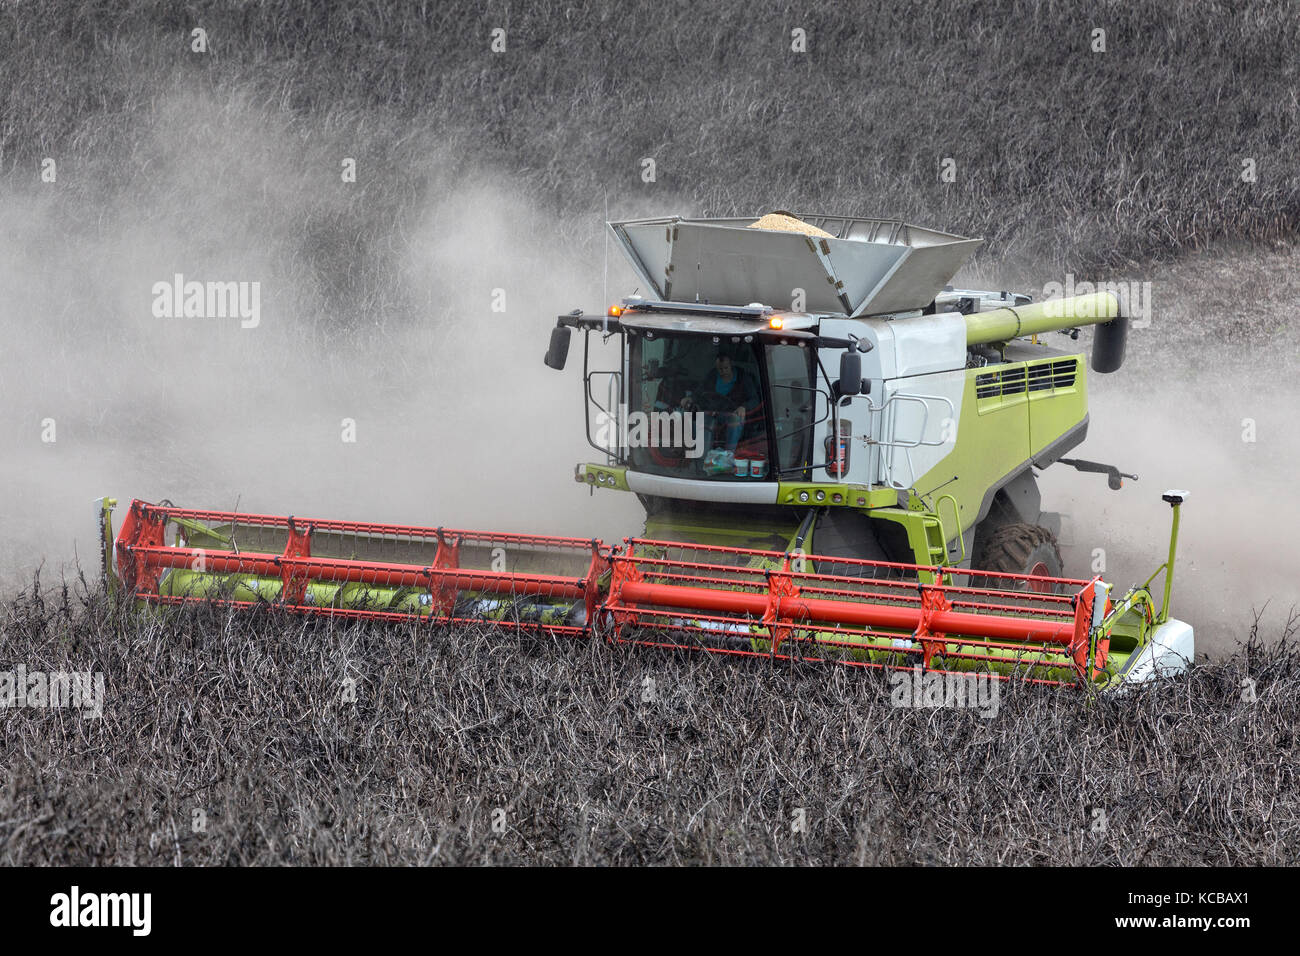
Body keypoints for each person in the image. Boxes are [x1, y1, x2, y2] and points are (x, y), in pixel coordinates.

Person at [680, 350, 759, 452]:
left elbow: (755, 399)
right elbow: (699, 392)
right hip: (711, 412)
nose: (723, 371)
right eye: (720, 369)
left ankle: (729, 455)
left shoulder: (743, 378)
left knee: (735, 420)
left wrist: (744, 407)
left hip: (731, 414)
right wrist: (690, 398)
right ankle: (700, 455)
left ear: (731, 365)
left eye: (726, 368)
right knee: (693, 417)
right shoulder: (712, 375)